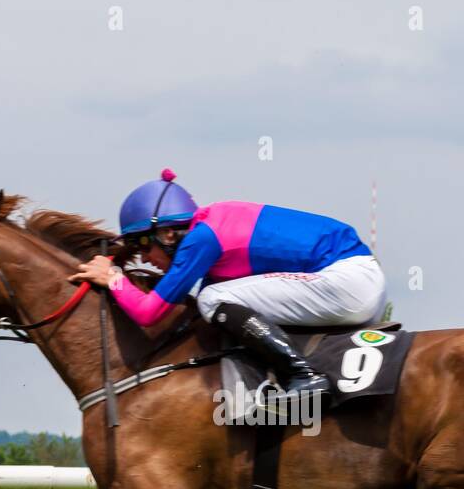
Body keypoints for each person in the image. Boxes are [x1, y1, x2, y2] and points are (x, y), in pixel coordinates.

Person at [69, 169, 386, 412]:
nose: (146, 260)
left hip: (347, 283)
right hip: (353, 280)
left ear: (167, 234)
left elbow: (148, 313)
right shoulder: (209, 227)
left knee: (211, 298)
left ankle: (302, 375)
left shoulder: (201, 239)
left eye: (143, 246)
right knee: (217, 296)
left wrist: (113, 278)